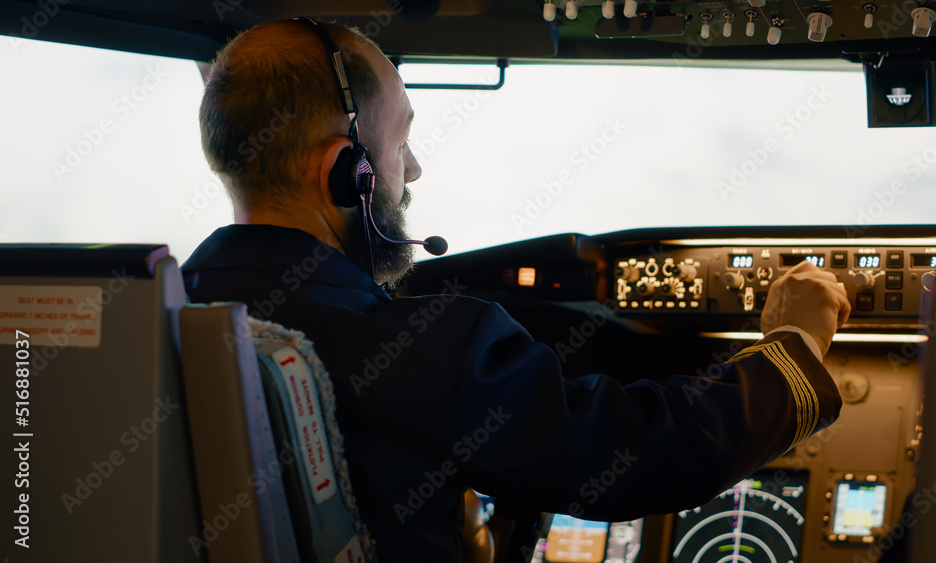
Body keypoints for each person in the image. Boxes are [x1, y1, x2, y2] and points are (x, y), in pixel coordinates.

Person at [182, 18, 851, 560]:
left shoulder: (164, 321)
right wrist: (795, 344)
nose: (413, 168)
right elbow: (640, 453)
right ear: (345, 172)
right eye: (401, 144)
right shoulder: (429, 349)